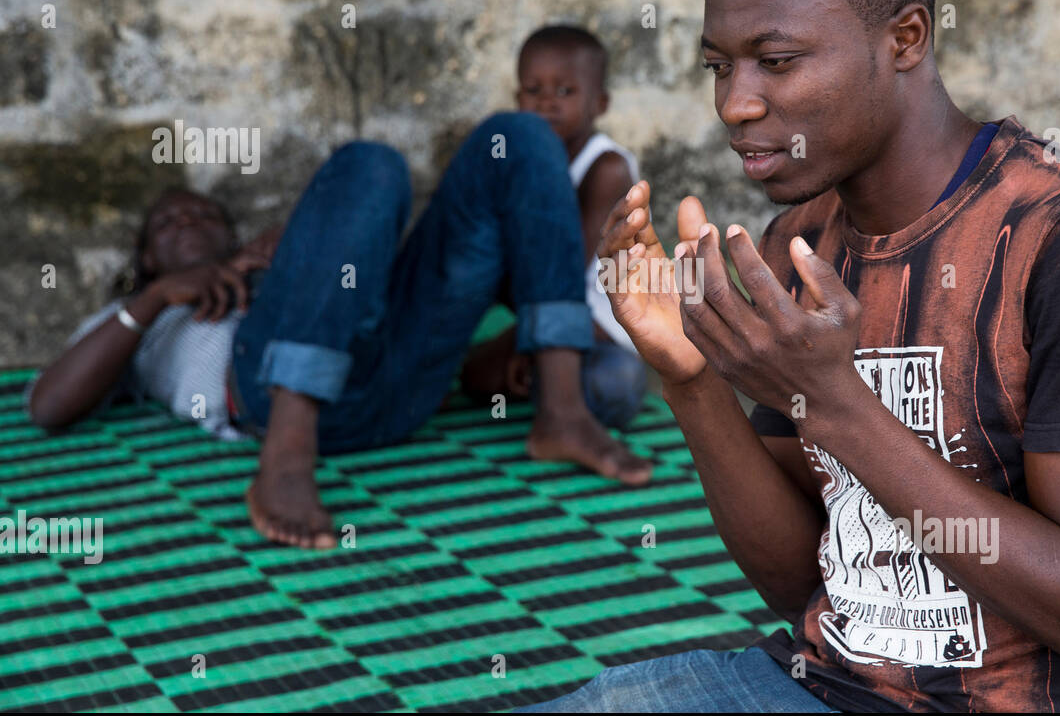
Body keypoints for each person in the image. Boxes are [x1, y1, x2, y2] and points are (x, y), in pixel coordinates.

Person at [517, 0, 1060, 713]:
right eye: (718, 66)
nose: (735, 103)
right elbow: (803, 576)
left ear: (904, 38)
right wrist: (691, 380)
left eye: (776, 61)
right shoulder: (801, 242)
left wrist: (834, 403)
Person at [26, 111, 654, 551]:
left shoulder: (271, 261)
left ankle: (563, 412)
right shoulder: (137, 318)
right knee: (370, 162)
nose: (187, 218)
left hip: (403, 378)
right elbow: (48, 405)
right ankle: (289, 456)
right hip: (273, 401)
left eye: (204, 214)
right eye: (168, 222)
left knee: (513, 135)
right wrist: (159, 297)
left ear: (233, 234)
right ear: (146, 259)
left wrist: (306, 253)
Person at [459, 26, 648, 429]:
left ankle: (549, 382)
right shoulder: (525, 165)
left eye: (565, 92)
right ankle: (543, 379)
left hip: (600, 325)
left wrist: (523, 344)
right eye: (534, 91)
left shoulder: (606, 168)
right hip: (544, 315)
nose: (547, 103)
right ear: (517, 100)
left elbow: (560, 277)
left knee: (614, 385)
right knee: (475, 380)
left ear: (599, 103)